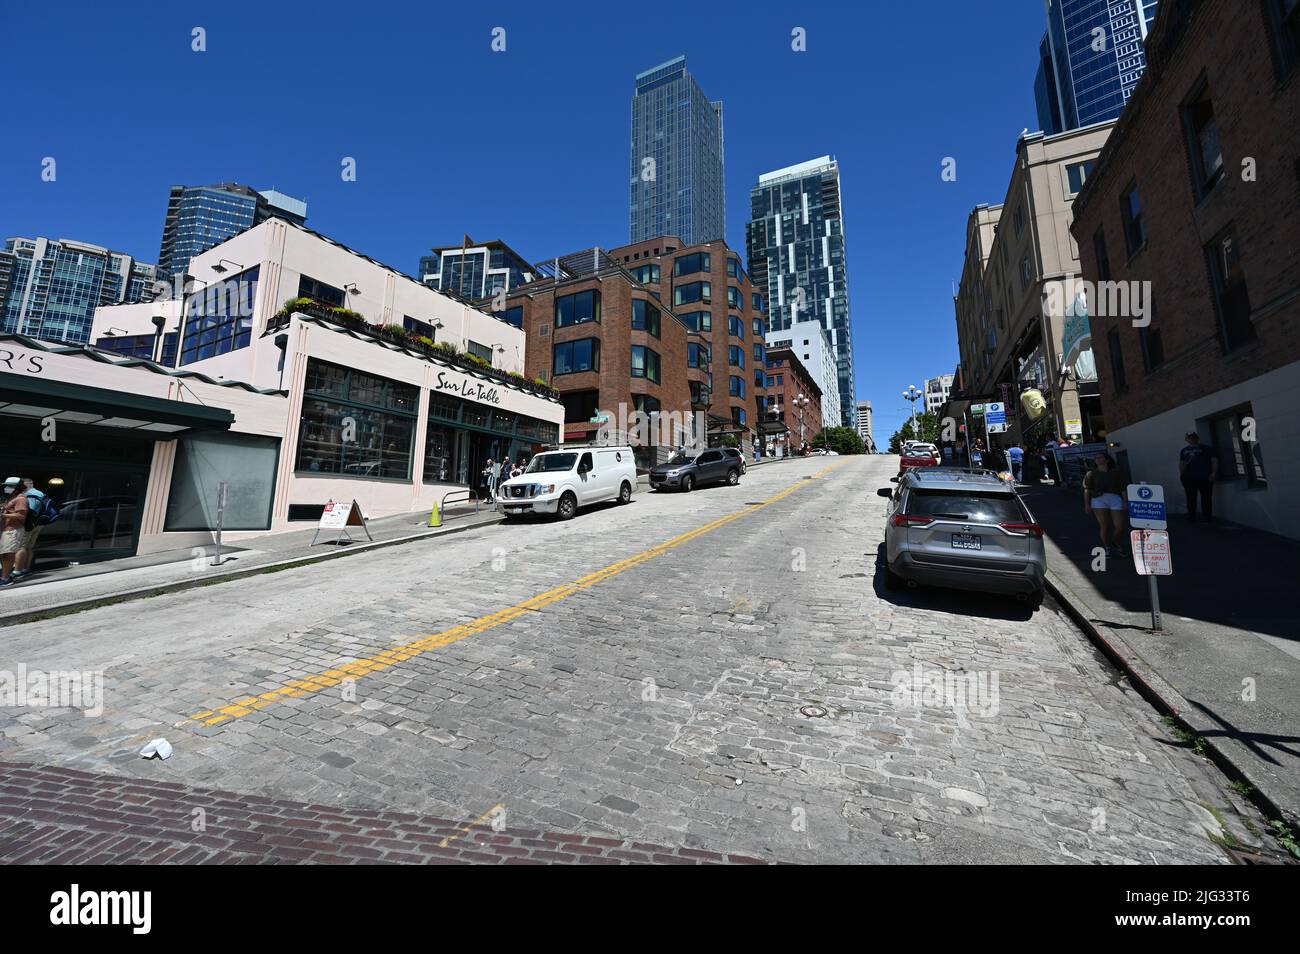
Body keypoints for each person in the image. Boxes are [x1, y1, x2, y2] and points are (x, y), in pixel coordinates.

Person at [1083, 453, 1127, 557]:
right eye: (1096, 458)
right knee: (1104, 525)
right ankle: (1107, 547)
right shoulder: (1091, 473)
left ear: (1107, 460)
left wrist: (1125, 501)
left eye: (1100, 457)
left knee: (1120, 526)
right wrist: (1087, 504)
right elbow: (1087, 490)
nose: (1097, 459)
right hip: (1098, 499)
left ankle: (1116, 542)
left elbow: (1123, 488)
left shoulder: (1116, 472)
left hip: (1115, 498)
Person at [11, 478, 47, 582]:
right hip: (38, 524)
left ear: (25, 485)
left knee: (20, 547)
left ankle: (17, 572)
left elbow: (29, 511)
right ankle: (26, 569)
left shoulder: (30, 495)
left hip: (29, 524)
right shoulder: (40, 493)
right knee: (28, 547)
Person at [1179, 431, 1217, 522]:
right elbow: (1182, 463)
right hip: (1189, 478)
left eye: (1194, 437)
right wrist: (1182, 475)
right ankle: (1191, 516)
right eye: (1190, 437)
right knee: (1190, 497)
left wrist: (1213, 473)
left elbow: (1214, 461)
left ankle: (1207, 517)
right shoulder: (1184, 450)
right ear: (1187, 439)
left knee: (1206, 497)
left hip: (1204, 477)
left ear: (1197, 438)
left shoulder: (1206, 448)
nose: (1192, 439)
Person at [0, 478, 30, 587]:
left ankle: (6, 579)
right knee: (4, 554)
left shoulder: (21, 499)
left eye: (11, 486)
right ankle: (4, 576)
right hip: (6, 529)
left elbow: (21, 516)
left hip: (13, 530)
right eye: (7, 486)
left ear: (18, 487)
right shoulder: (11, 497)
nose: (7, 488)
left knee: (8, 554)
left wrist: (3, 515)